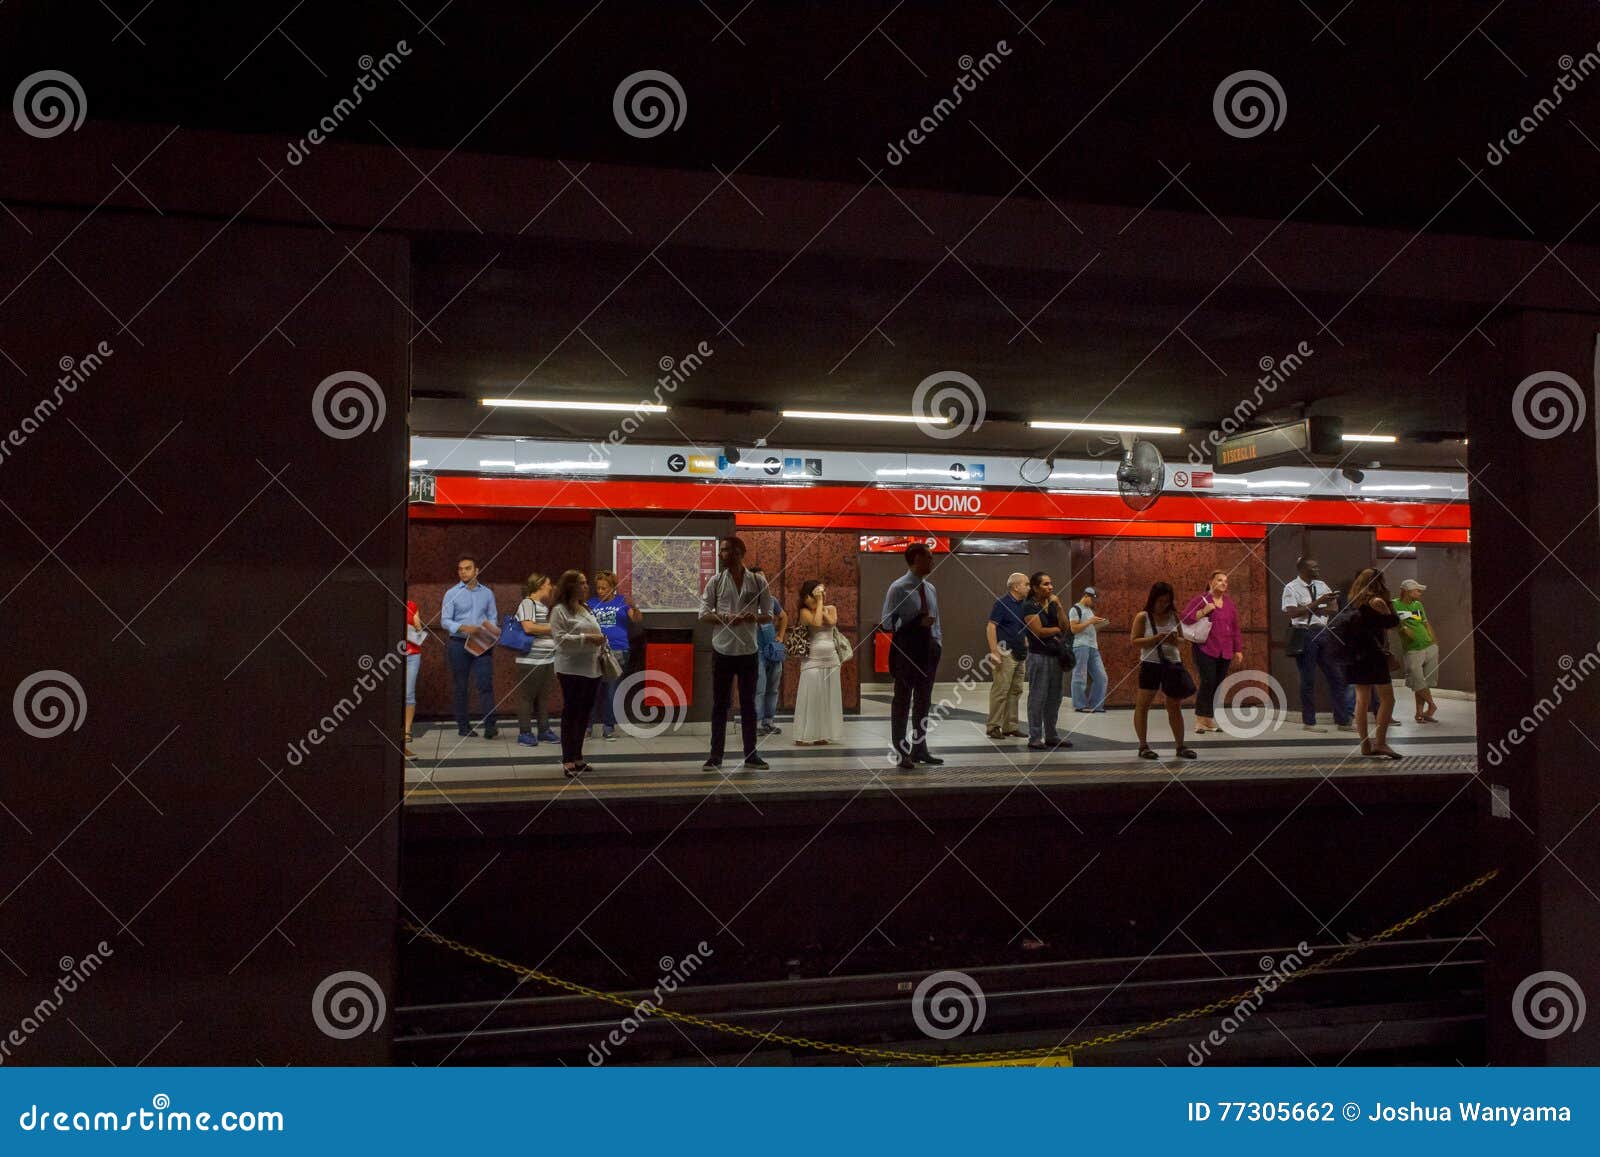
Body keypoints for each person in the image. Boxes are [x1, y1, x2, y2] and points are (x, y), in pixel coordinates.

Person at [698, 537, 774, 771]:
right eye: (722, 551)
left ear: (740, 552)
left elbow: (769, 614)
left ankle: (751, 754)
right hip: (722, 650)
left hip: (748, 650)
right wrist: (725, 618)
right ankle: (715, 755)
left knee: (748, 704)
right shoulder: (716, 581)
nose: (723, 554)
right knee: (720, 704)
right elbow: (703, 614)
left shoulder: (758, 581)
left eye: (727, 550)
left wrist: (755, 618)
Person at [882, 542, 943, 770]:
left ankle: (920, 747)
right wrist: (915, 622)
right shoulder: (898, 588)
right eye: (928, 557)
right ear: (916, 559)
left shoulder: (931, 589)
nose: (932, 560)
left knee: (924, 701)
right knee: (902, 700)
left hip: (929, 650)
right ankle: (901, 750)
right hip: (907, 650)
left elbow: (938, 621)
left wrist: (937, 642)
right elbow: (887, 622)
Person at [1282, 556, 1355, 733]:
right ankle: (1309, 722)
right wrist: (1318, 602)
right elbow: (1292, 613)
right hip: (1305, 633)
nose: (1317, 570)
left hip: (1323, 632)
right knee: (1308, 679)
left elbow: (1333, 608)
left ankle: (1343, 720)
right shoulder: (1291, 587)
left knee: (1336, 677)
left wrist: (1314, 606)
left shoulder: (1321, 585)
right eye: (1313, 567)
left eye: (1317, 567)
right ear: (1302, 569)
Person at [1339, 568, 1402, 760]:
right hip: (1373, 657)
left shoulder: (1355, 602)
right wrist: (1389, 605)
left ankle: (1365, 744)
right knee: (1388, 699)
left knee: (1361, 700)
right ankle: (1381, 743)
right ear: (1379, 582)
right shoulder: (1377, 601)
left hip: (1356, 657)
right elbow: (1393, 622)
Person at [1131, 581, 1196, 760]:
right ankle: (1143, 746)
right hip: (1150, 663)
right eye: (1160, 601)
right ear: (1153, 599)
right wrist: (1155, 639)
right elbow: (1135, 640)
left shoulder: (1174, 617)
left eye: (1167, 601)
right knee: (1144, 704)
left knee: (1174, 705)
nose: (1163, 605)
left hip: (1173, 663)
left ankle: (1180, 745)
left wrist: (1175, 640)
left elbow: (1183, 640)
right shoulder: (1143, 617)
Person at [550, 570, 605, 777]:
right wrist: (588, 638)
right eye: (581, 583)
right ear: (570, 586)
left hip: (592, 669)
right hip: (571, 669)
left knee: (584, 714)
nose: (586, 586)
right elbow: (560, 640)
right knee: (571, 713)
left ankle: (578, 756)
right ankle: (567, 760)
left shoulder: (586, 607)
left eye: (585, 582)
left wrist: (599, 640)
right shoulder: (559, 610)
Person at [441, 554, 498, 739]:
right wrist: (464, 627)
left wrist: (487, 631)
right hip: (458, 643)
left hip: (482, 642)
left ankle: (490, 725)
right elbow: (445, 621)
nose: (463, 572)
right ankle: (463, 726)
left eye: (467, 568)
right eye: (460, 569)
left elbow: (493, 617)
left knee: (485, 683)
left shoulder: (487, 593)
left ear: (476, 570)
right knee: (461, 686)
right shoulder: (451, 593)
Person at [1182, 570, 1244, 734]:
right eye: (1220, 580)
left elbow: (1235, 628)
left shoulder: (1229, 603)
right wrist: (1203, 611)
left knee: (1217, 685)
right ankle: (1199, 720)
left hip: (1225, 651)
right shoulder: (1201, 600)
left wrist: (1238, 649)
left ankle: (1208, 719)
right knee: (1208, 681)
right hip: (1205, 649)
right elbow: (1185, 617)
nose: (1224, 583)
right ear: (1211, 582)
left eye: (1225, 580)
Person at [1021, 572, 1073, 751]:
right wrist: (1056, 629)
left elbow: (1066, 627)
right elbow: (1039, 631)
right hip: (1039, 657)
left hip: (1055, 656)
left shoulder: (1051, 605)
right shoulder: (1029, 606)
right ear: (1035, 588)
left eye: (1051, 584)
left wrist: (1058, 606)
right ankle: (1035, 737)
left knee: (1054, 698)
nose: (1050, 587)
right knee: (1038, 697)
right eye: (1045, 584)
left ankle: (1051, 735)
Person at [586, 571, 641, 741]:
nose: (601, 591)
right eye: (598, 588)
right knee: (591, 690)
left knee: (611, 690)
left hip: (618, 650)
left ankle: (608, 727)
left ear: (613, 588)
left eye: (604, 588)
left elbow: (637, 620)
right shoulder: (591, 603)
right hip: (596, 650)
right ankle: (587, 726)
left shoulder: (622, 602)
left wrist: (634, 607)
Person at [792, 579, 844, 744]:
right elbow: (815, 623)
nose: (823, 595)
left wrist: (819, 605)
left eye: (823, 592)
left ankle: (823, 734)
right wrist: (819, 603)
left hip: (832, 659)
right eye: (819, 592)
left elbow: (831, 622)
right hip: (812, 660)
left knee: (828, 697)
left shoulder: (831, 609)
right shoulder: (804, 612)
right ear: (808, 595)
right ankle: (805, 733)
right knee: (811, 696)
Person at [512, 572, 560, 748]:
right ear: (540, 585)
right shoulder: (527, 602)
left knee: (543, 697)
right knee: (527, 697)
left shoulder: (541, 605)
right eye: (548, 584)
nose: (550, 587)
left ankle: (544, 730)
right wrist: (553, 627)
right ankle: (525, 733)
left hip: (546, 659)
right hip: (531, 660)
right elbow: (528, 627)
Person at [985, 572, 1031, 739]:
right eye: (1026, 584)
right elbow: (991, 627)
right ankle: (993, 726)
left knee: (1016, 690)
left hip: (1020, 653)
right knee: (1001, 690)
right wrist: (994, 651)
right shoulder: (1001, 604)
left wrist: (1025, 639)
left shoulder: (1024, 604)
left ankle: (1010, 726)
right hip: (1005, 653)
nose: (1028, 587)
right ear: (1016, 586)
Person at [1394, 579, 1440, 724]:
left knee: (1425, 681)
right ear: (1407, 591)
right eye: (1417, 590)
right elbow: (1393, 623)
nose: (1420, 593)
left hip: (1429, 646)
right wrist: (1402, 629)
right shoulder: (1394, 604)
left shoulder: (1418, 604)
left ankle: (1419, 713)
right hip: (1412, 648)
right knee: (1417, 680)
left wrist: (1434, 641)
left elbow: (1425, 623)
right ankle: (1432, 706)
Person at [751, 565, 789, 736]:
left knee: (773, 687)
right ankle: (756, 723)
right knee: (759, 687)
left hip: (773, 650)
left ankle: (769, 721)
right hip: (756, 651)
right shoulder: (747, 602)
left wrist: (780, 635)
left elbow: (783, 616)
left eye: (764, 579)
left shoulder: (772, 600)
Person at [1068, 586, 1110, 713]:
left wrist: (1099, 624)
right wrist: (1090, 621)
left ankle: (1096, 704)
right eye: (1092, 600)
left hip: (1093, 646)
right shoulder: (1075, 609)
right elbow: (1074, 629)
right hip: (1081, 645)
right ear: (1086, 596)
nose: (1093, 603)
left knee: (1102, 677)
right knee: (1080, 675)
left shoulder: (1089, 610)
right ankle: (1080, 705)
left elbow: (1090, 629)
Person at [403, 599, 423, 757]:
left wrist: (417, 627)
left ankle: (407, 730)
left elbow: (419, 634)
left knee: (409, 693)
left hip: (412, 654)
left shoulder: (412, 605)